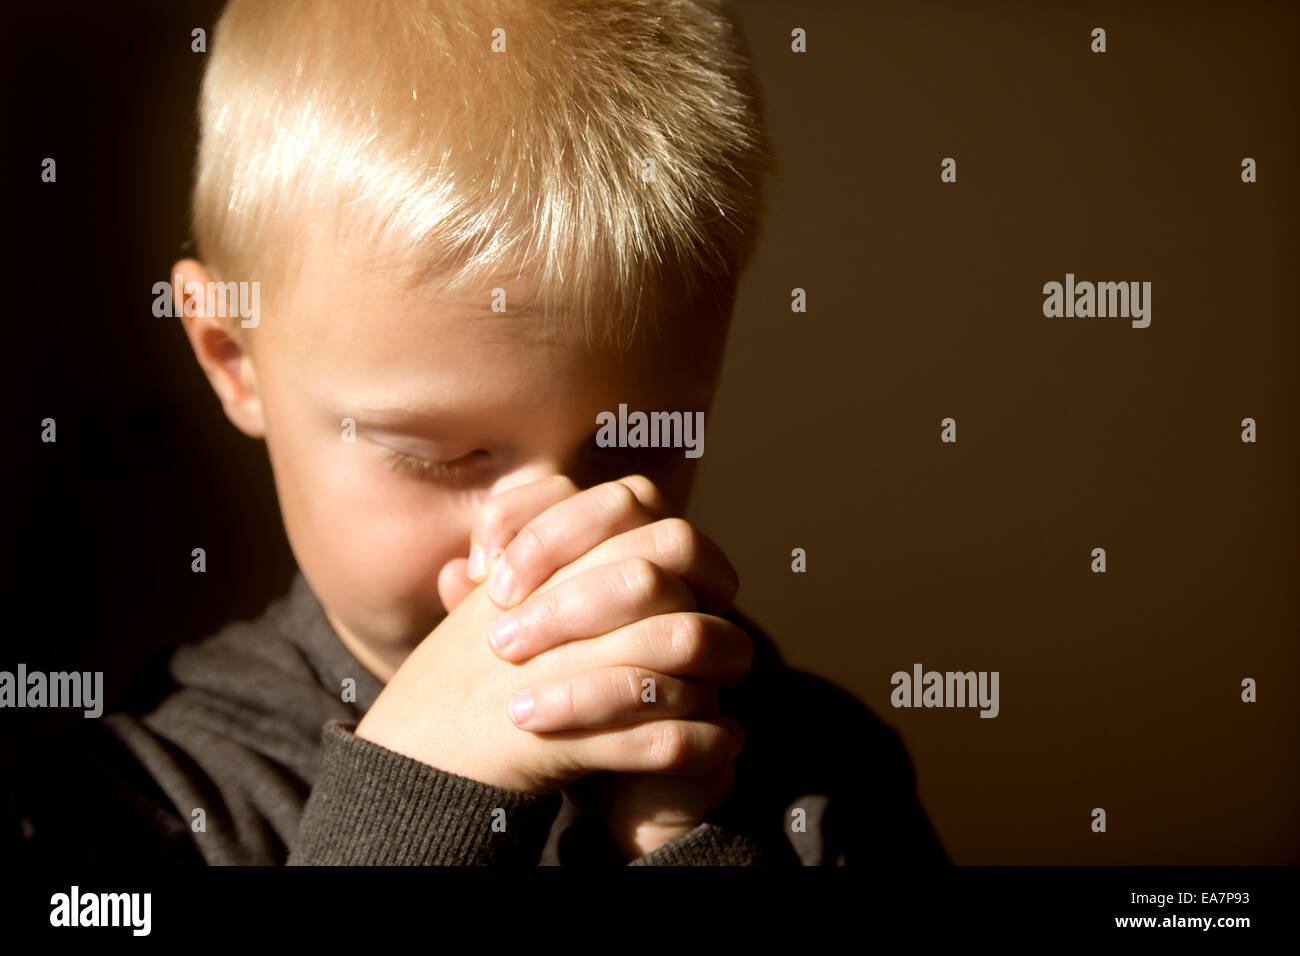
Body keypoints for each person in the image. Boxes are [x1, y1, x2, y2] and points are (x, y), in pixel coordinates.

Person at [4, 0, 948, 866]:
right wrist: (415, 805)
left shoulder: (821, 779)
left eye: (634, 447)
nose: (537, 546)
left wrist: (686, 844)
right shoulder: (128, 810)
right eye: (442, 455)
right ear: (231, 357)